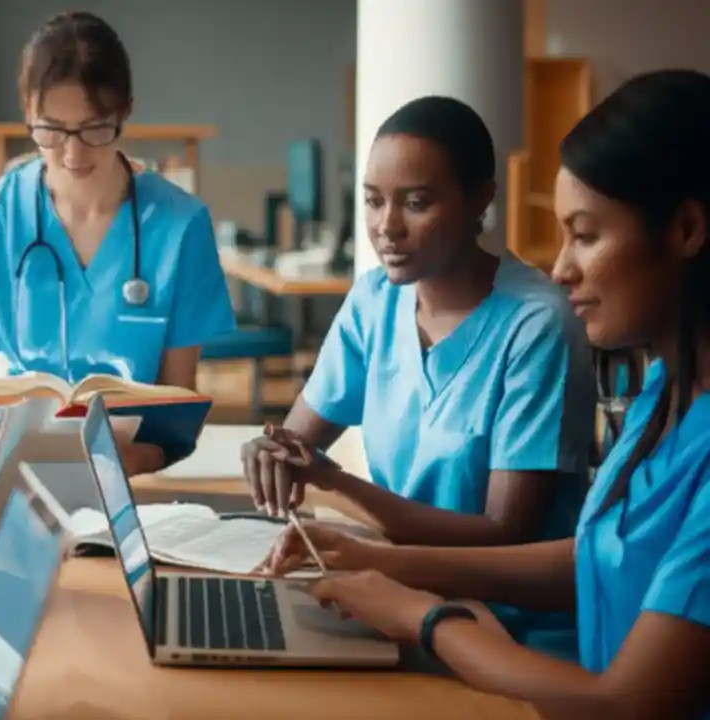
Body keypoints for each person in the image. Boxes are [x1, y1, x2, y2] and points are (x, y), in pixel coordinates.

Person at [260, 68, 710, 719]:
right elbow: (589, 560)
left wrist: (424, 616)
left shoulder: (543, 328)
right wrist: (382, 563)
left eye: (585, 235)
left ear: (687, 230)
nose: (560, 268)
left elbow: (624, 702)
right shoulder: (666, 391)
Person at [242, 95, 595, 656]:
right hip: (400, 597)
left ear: (481, 197)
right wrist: (271, 451)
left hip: (506, 629)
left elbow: (504, 531)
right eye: (374, 202)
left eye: (416, 203)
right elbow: (295, 443)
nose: (388, 227)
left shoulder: (536, 325)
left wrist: (335, 480)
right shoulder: (374, 302)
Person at [0, 11, 236, 473]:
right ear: (27, 112)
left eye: (94, 128)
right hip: (7, 467)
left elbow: (175, 420)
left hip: (128, 472)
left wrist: (124, 462)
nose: (73, 154)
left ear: (124, 111)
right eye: (51, 130)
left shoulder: (180, 227)